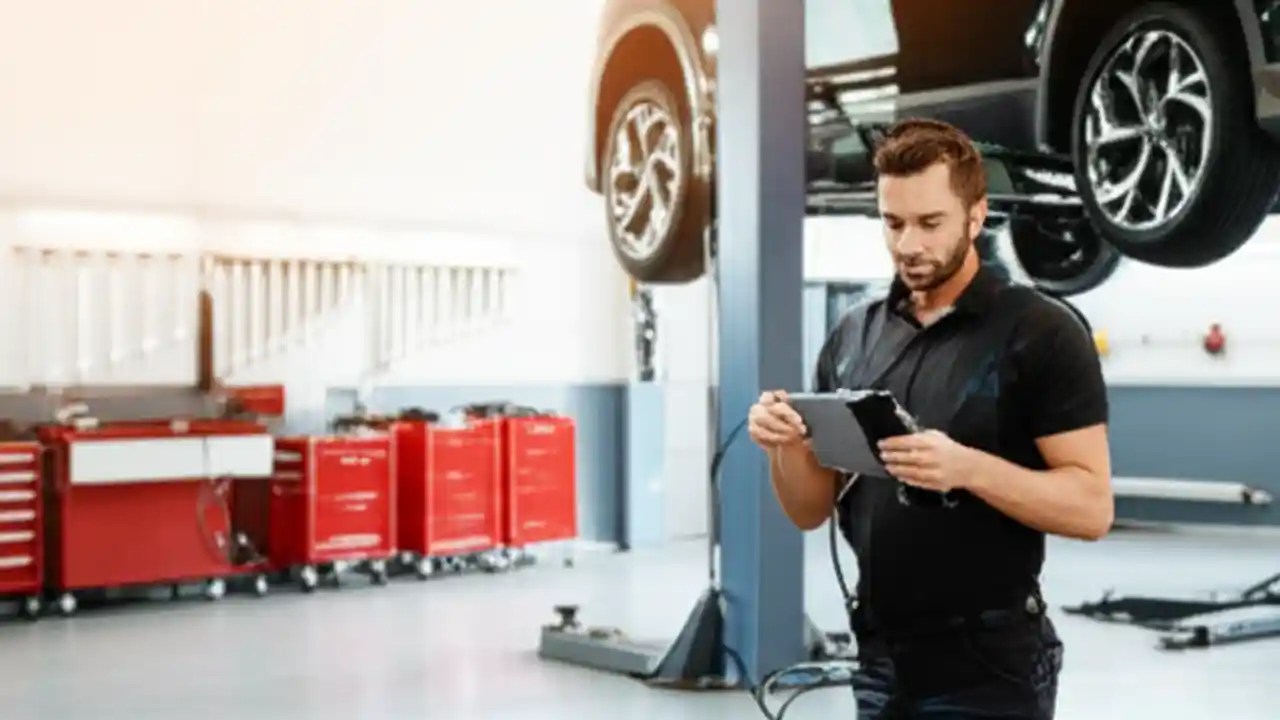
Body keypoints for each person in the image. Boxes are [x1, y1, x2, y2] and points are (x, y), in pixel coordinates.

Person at [747, 118, 1113, 719]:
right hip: (881, 660)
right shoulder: (854, 336)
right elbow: (810, 508)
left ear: (976, 216)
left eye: (930, 223)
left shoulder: (1039, 332)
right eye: (893, 223)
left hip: (987, 665)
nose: (908, 244)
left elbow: (1092, 508)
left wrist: (966, 469)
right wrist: (784, 445)